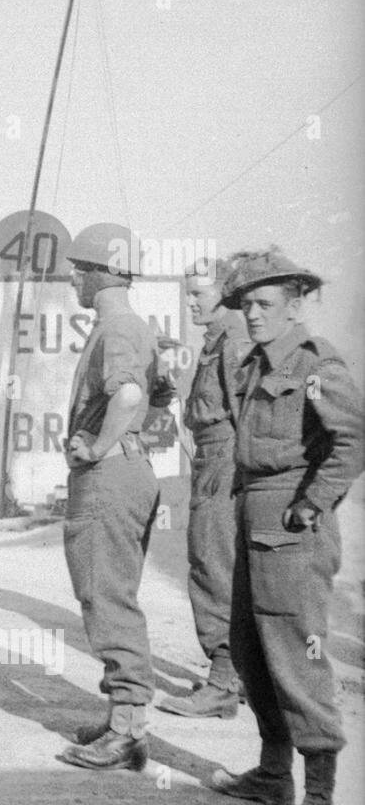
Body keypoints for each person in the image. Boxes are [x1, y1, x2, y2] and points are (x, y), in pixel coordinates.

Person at [209, 248, 362, 805]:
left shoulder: (314, 362)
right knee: (250, 648)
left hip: (292, 524)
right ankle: (274, 777)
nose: (252, 315)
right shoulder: (253, 364)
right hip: (251, 511)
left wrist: (312, 502)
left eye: (264, 304)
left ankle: (320, 798)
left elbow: (353, 440)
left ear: (295, 305)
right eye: (246, 305)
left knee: (298, 653)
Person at [57, 222, 162, 771]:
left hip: (109, 477)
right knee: (114, 592)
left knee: (106, 596)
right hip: (133, 471)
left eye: (79, 268)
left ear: (100, 273)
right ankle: (124, 719)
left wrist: (97, 447)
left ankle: (127, 731)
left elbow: (130, 392)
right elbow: (160, 394)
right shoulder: (136, 328)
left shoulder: (116, 328)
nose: (74, 278)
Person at [157, 258, 249, 718]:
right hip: (215, 459)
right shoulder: (218, 341)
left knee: (213, 566)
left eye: (199, 294)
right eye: (188, 293)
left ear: (224, 294)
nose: (191, 302)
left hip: (225, 465)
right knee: (224, 567)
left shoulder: (233, 344)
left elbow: (246, 418)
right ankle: (243, 675)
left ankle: (222, 684)